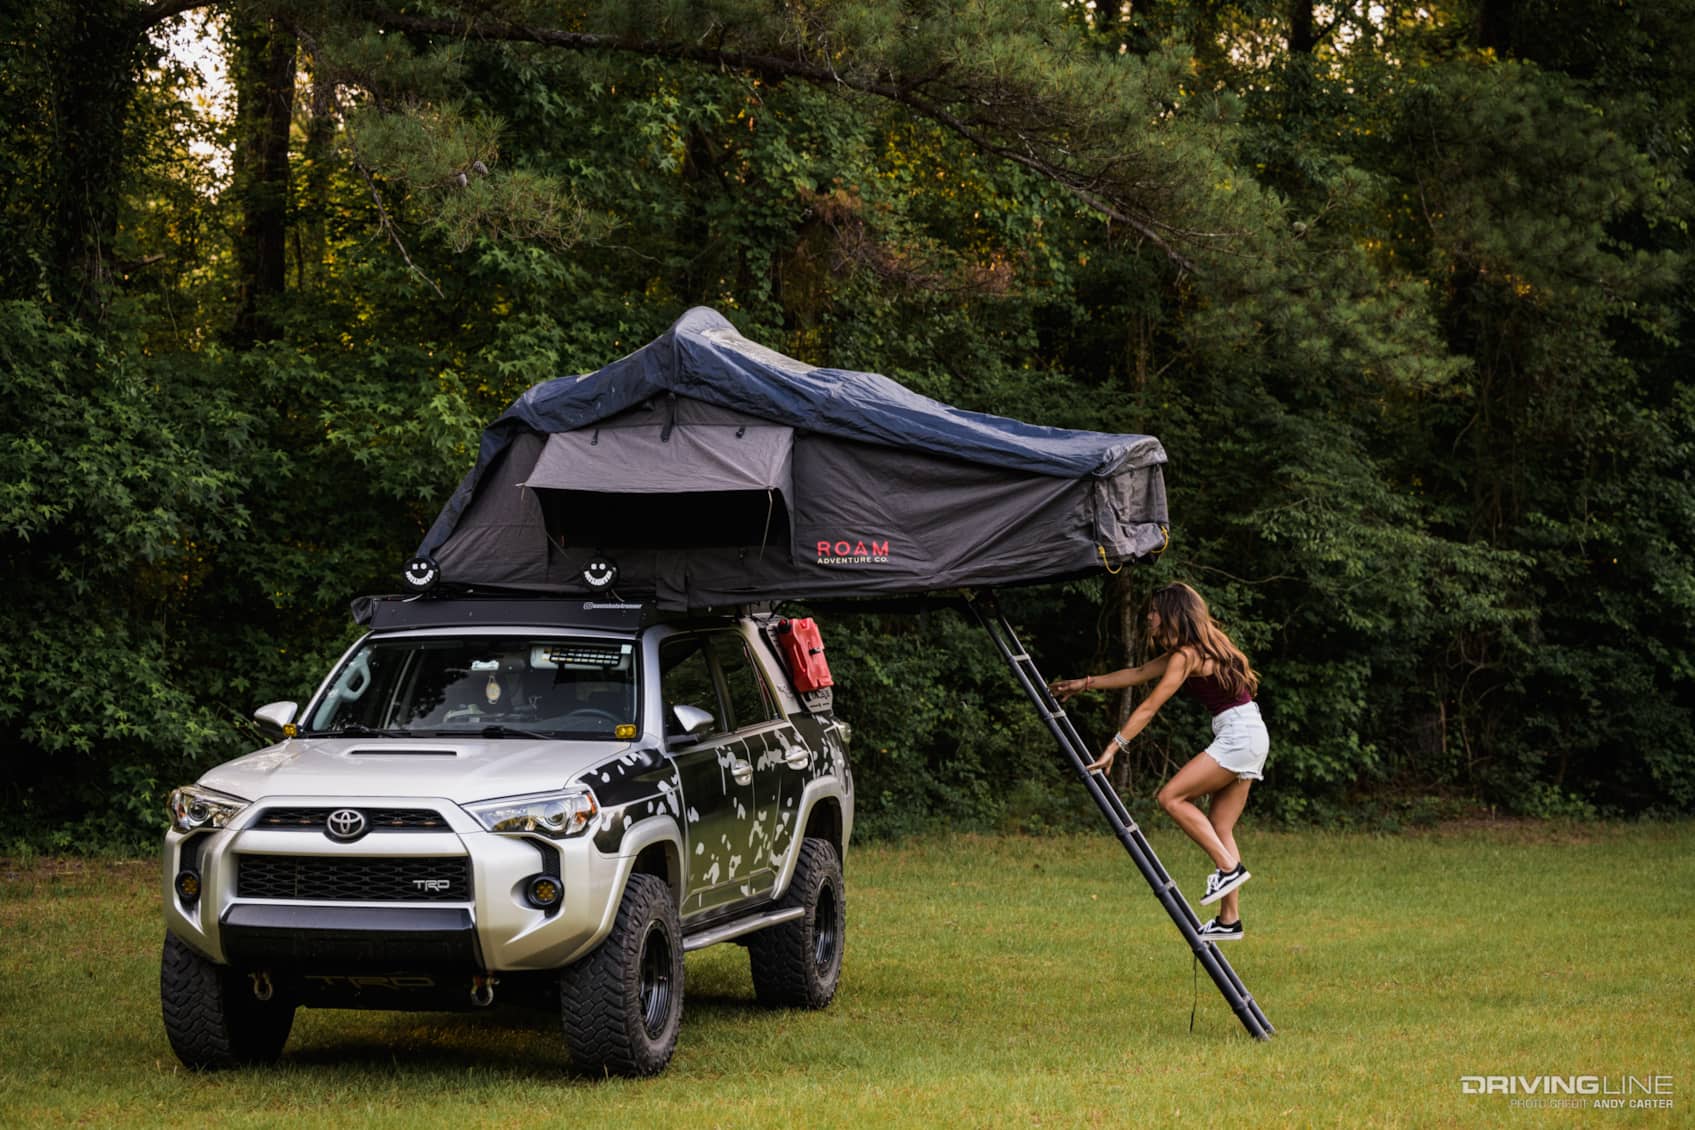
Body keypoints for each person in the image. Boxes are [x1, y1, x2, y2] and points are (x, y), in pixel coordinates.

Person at [1050, 582, 1268, 942]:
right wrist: (1085, 683)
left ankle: (1228, 868)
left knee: (1171, 798)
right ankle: (1230, 920)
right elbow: (1136, 674)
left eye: (1153, 611)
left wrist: (1114, 747)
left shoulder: (1186, 655)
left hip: (1239, 736)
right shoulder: (1196, 649)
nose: (1148, 617)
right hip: (1252, 732)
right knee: (1220, 826)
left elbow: (1150, 705)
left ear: (1171, 614)